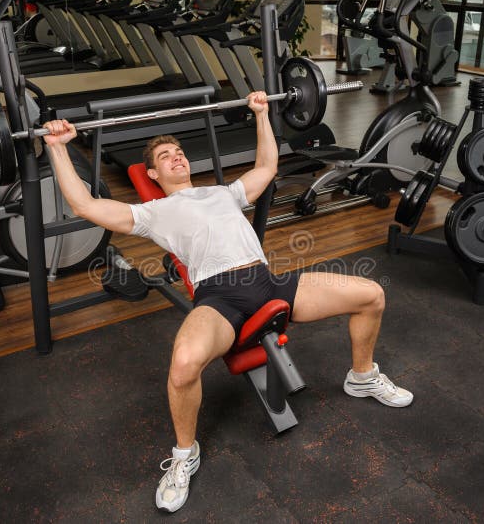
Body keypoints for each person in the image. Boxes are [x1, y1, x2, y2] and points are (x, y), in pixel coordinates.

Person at [42, 91, 413, 513]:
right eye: (166, 156)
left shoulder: (225, 193)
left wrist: (261, 113)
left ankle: (361, 376)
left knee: (371, 295)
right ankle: (185, 454)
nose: (177, 158)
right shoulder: (153, 213)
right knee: (183, 363)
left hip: (268, 281)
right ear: (152, 172)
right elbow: (84, 204)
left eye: (179, 152)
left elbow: (268, 167)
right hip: (220, 299)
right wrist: (57, 147)